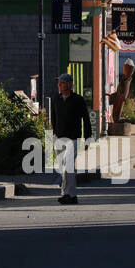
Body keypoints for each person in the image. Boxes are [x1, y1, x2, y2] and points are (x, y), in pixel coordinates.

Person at [53, 73, 92, 205]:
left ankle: (72, 195)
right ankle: (66, 194)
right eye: (59, 83)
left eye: (61, 83)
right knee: (62, 168)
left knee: (69, 167)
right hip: (59, 138)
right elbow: (54, 119)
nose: (59, 85)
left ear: (69, 84)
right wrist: (54, 134)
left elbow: (86, 120)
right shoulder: (56, 99)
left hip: (72, 138)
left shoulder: (78, 100)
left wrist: (88, 138)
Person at [109, 60, 135, 125]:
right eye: (125, 68)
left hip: (121, 97)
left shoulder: (127, 78)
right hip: (119, 96)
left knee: (117, 111)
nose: (125, 70)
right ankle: (117, 121)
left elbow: (125, 89)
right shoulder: (125, 78)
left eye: (126, 68)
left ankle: (118, 121)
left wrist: (122, 96)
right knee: (116, 111)